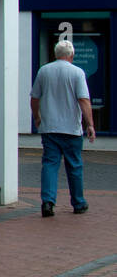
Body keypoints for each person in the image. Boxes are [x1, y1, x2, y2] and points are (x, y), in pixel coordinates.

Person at [30, 39, 96, 217]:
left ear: (55, 54)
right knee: (74, 166)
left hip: (49, 127)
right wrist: (89, 124)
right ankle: (78, 202)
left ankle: (48, 202)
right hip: (71, 129)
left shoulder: (44, 71)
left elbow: (34, 98)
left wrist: (37, 117)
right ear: (72, 56)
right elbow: (83, 100)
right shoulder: (77, 73)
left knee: (50, 164)